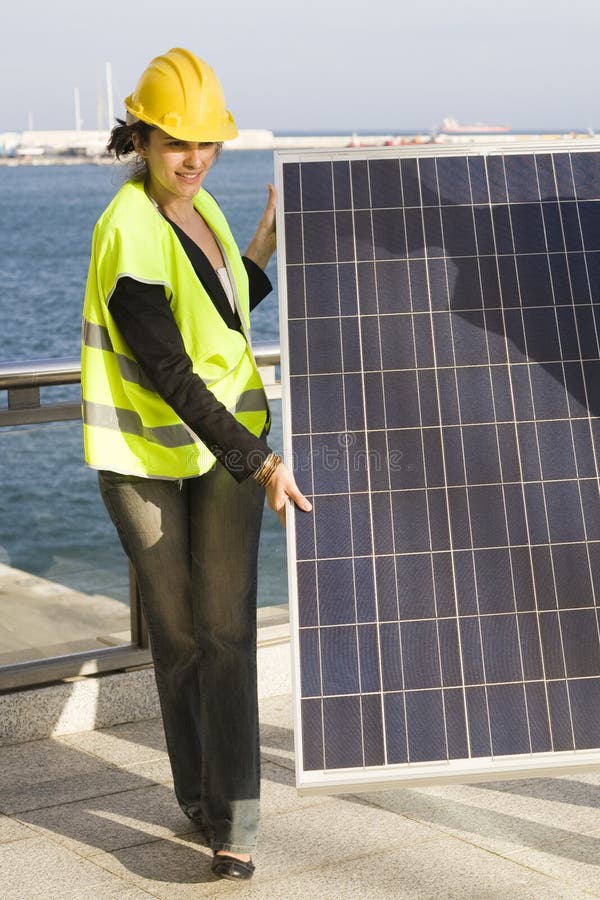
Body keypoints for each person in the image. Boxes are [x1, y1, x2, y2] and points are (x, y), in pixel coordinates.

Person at [80, 47, 311, 882]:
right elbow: (169, 366)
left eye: (207, 143)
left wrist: (262, 244)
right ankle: (198, 793)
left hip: (227, 448)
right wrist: (259, 462)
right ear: (140, 138)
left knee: (226, 633)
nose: (195, 158)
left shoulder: (204, 210)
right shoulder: (126, 229)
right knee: (176, 637)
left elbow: (217, 308)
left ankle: (233, 821)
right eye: (177, 142)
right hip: (146, 454)